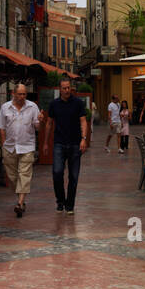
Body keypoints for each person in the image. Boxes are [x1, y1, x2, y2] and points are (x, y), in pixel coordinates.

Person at [44, 78, 91, 215]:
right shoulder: (54, 104)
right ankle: (60, 200)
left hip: (75, 144)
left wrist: (84, 139)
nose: (66, 90)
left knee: (74, 176)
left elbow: (83, 122)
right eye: (64, 88)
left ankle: (70, 205)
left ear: (71, 88)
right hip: (59, 143)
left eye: (68, 88)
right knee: (57, 172)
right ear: (60, 89)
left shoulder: (77, 103)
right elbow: (49, 123)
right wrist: (46, 142)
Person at [0, 83, 42, 217]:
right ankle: (21, 198)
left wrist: (40, 121)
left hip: (27, 146)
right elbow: (1, 127)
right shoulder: (5, 107)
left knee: (24, 174)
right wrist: (4, 144)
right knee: (12, 176)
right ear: (13, 94)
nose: (22, 97)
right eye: (20, 94)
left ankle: (20, 203)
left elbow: (37, 128)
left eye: (24, 94)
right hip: (9, 147)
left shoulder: (33, 107)